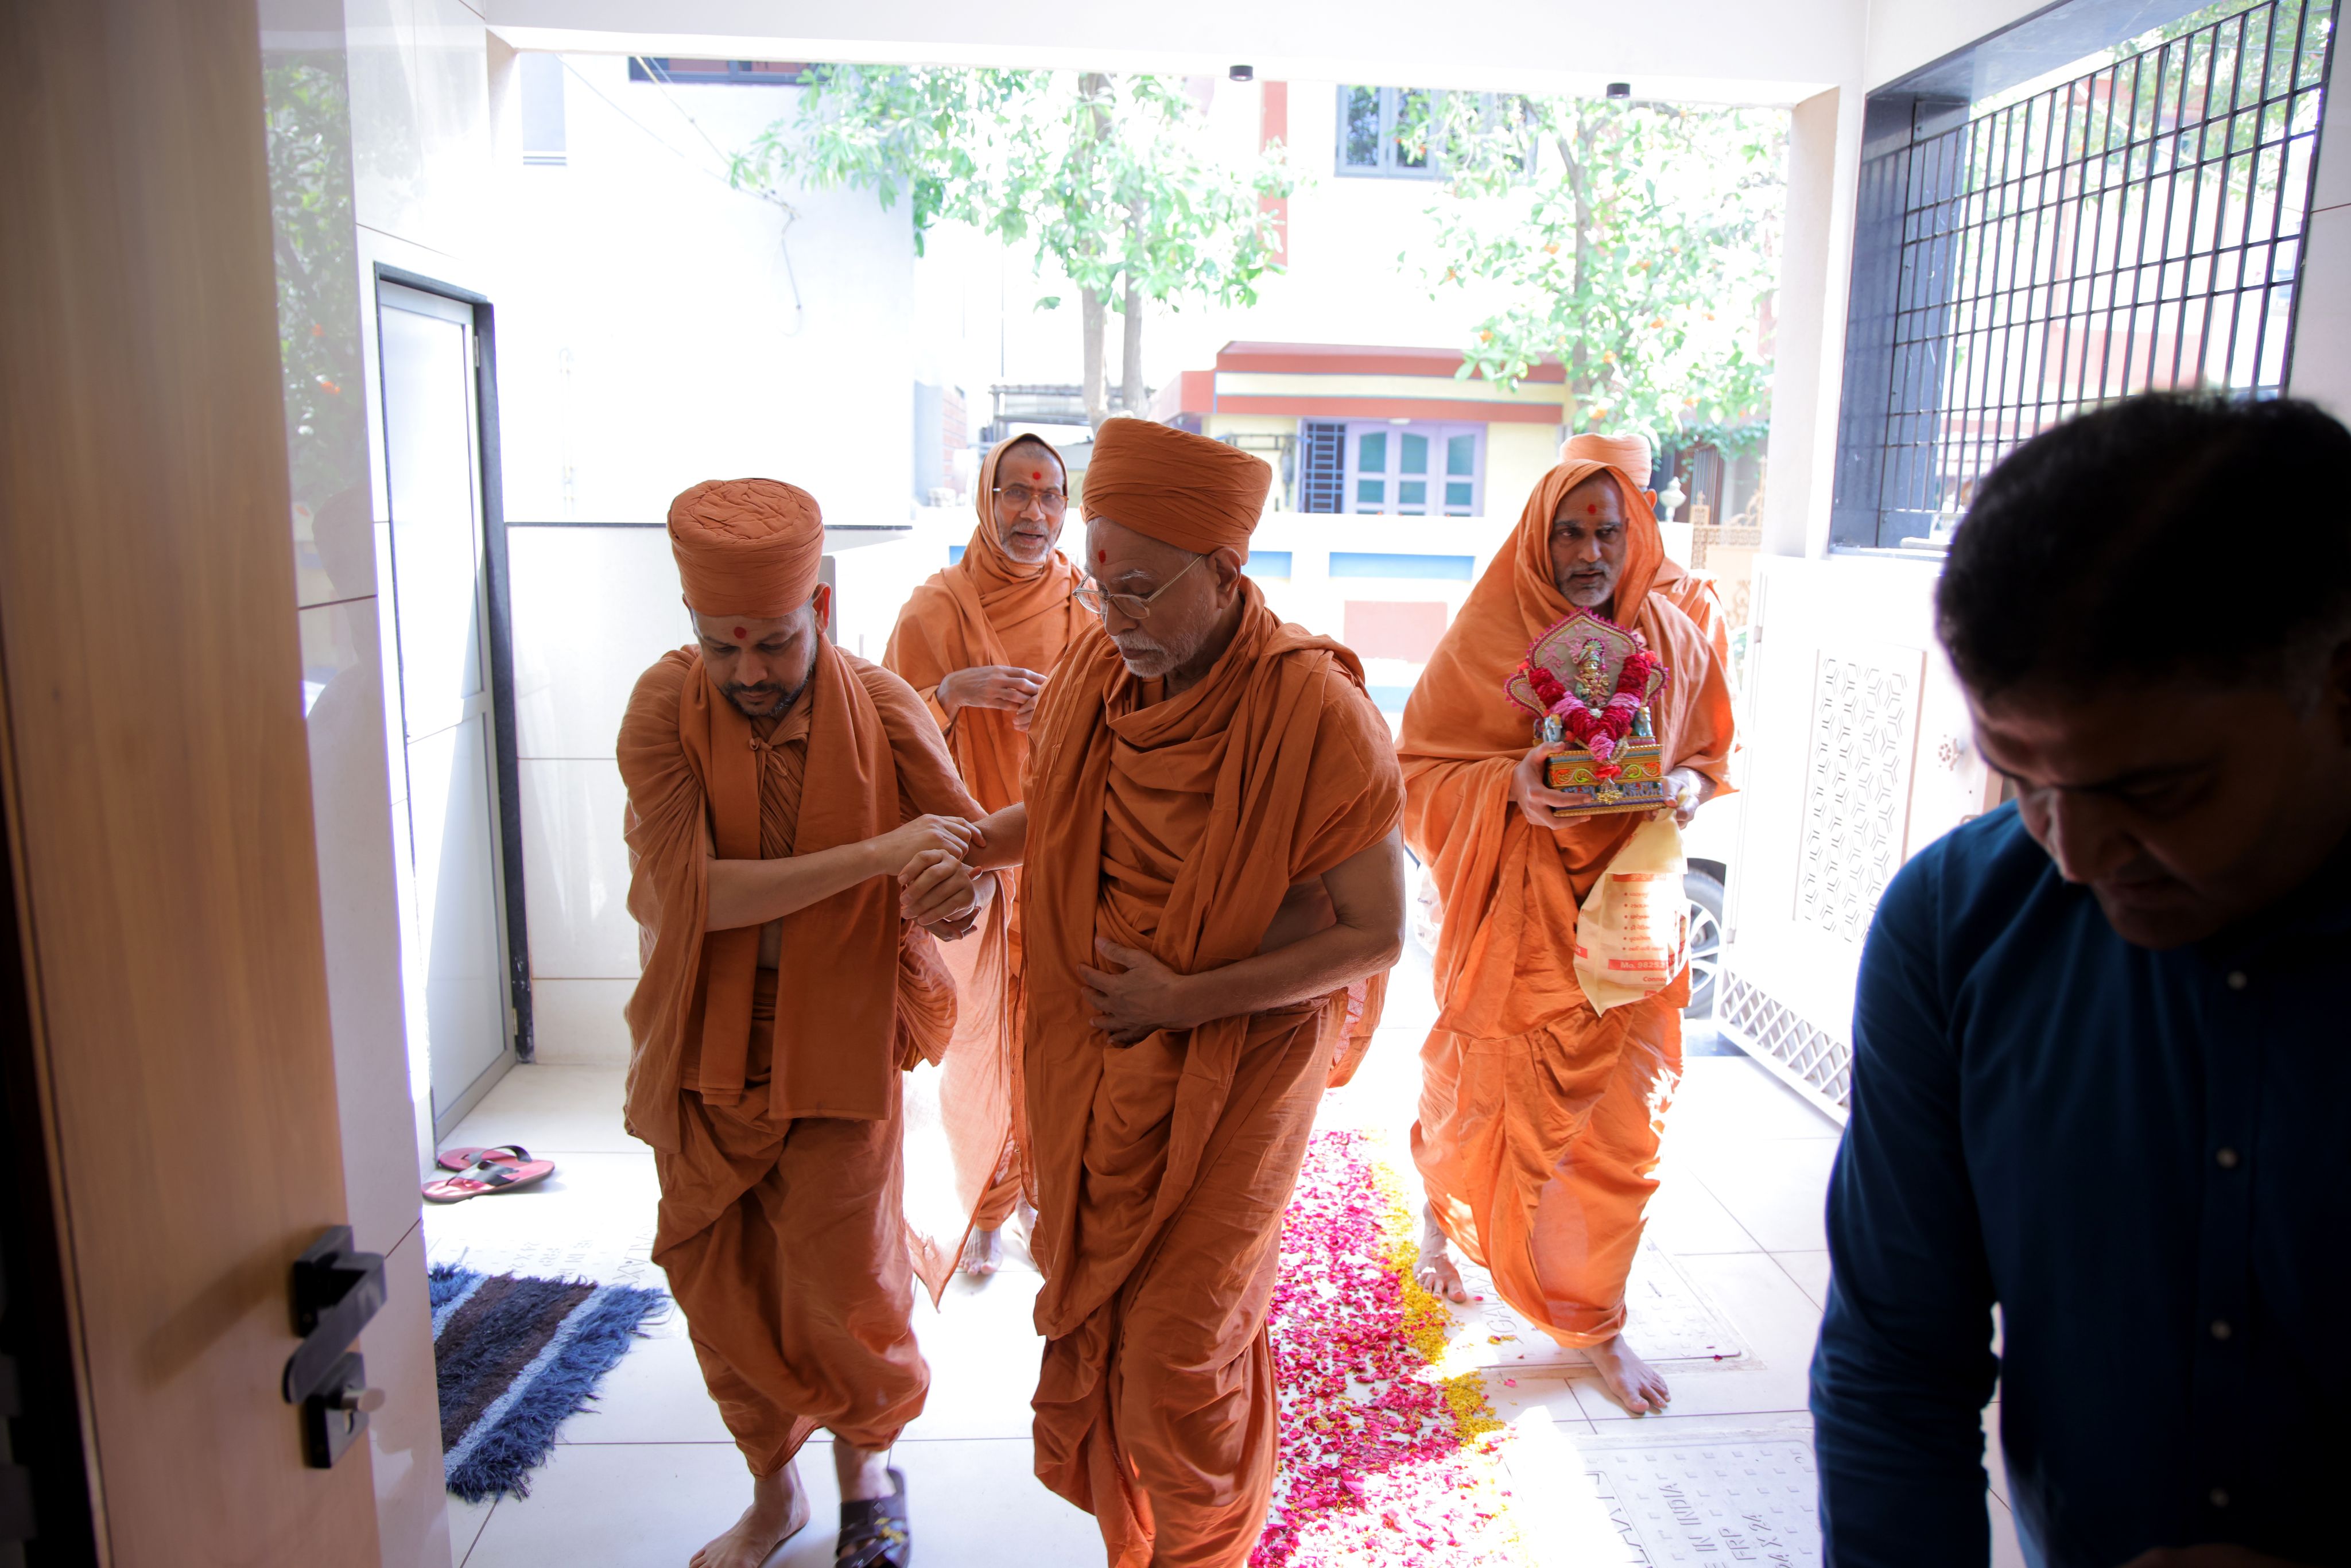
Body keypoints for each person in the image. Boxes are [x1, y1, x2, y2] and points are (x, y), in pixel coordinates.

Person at [1811, 393, 2351, 1568]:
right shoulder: (1956, 923)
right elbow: (1894, 1364)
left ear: (2340, 686)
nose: (2072, 853)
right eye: (2019, 778)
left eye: (2152, 792)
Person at [902, 416, 1407, 1567]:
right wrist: (979, 843)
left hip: (1242, 1055)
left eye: (1138, 592)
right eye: (1100, 585)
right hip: (1105, 1044)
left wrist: (1192, 997)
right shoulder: (1096, 666)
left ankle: (1202, 1549)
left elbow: (1376, 931)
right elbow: (1070, 806)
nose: (1112, 616)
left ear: (1225, 574)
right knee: (1118, 1324)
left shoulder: (1315, 714)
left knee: (1183, 1345)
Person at [617, 478, 993, 1568]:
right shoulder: (661, 707)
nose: (747, 673)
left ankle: (867, 1484)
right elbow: (696, 896)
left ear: (818, 612)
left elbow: (970, 853)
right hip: (701, 1043)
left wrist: (950, 891)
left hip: (839, 1040)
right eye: (721, 648)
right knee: (719, 1280)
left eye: (773, 647)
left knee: (846, 1287)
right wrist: (878, 857)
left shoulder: (883, 705)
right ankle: (773, 1497)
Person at [1398, 444, 1736, 1415]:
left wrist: (1683, 786)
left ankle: (1595, 1321)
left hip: (1632, 906)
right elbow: (1415, 768)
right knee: (1483, 1102)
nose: (1590, 551)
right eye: (1570, 531)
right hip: (1515, 918)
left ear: (1636, 538)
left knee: (1620, 1132)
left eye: (1607, 531)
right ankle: (1445, 1215)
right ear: (1540, 536)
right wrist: (1512, 787)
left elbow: (1711, 754)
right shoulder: (1489, 632)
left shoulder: (1673, 631)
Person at [883, 433, 1086, 1279]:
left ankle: (1048, 1192)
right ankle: (986, 1203)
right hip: (968, 861)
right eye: (1015, 493)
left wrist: (1064, 720)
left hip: (1059, 857)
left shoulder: (1088, 608)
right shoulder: (934, 610)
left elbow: (1115, 731)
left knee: (1056, 1035)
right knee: (980, 1040)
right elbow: (883, 738)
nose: (1031, 513)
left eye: (1049, 497)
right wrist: (950, 695)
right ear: (985, 498)